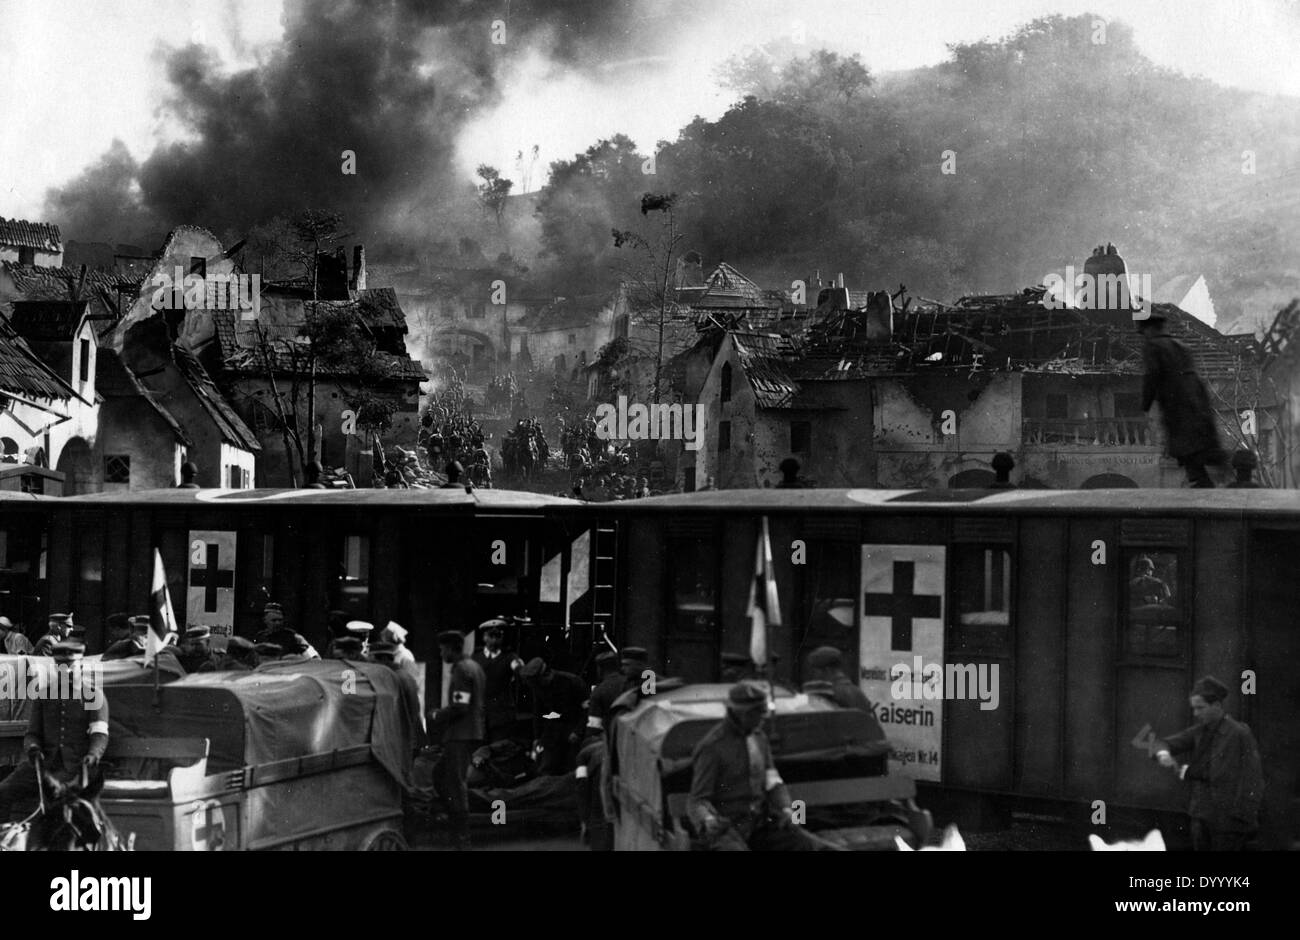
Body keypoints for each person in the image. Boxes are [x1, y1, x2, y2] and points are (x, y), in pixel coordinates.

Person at [686, 681, 814, 851]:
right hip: (727, 828)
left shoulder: (759, 738)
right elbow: (697, 799)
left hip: (758, 824)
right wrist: (708, 820)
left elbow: (773, 780)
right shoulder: (712, 747)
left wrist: (786, 808)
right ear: (742, 714)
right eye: (758, 713)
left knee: (802, 844)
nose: (763, 718)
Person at [0, 640, 109, 824]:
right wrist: (33, 748)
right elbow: (32, 733)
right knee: (2, 792)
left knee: (60, 804)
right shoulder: (43, 694)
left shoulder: (93, 695)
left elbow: (99, 734)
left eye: (70, 665)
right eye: (60, 666)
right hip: (42, 767)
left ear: (80, 665)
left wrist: (92, 755)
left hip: (77, 768)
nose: (65, 670)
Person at [1153, 675, 1263, 851]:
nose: (1196, 713)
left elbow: (1253, 778)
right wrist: (1163, 753)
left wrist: (1242, 817)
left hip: (1228, 822)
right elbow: (1161, 743)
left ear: (1217, 706)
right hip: (1201, 817)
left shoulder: (1239, 734)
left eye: (1200, 708)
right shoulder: (1200, 731)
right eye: (1194, 708)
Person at [1138, 311, 1225, 487]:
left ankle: (1200, 480)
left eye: (1145, 331)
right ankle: (1203, 478)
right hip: (1196, 397)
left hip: (1175, 400)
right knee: (1197, 439)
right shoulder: (1182, 346)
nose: (1144, 335)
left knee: (1183, 441)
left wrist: (1146, 404)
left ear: (1151, 329)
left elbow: (1152, 375)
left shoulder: (1153, 346)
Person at [428, 630, 485, 850]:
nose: (441, 653)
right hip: (470, 733)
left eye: (442, 649)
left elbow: (460, 707)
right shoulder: (474, 667)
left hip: (461, 734)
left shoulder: (462, 669)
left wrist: (436, 715)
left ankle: (461, 838)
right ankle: (453, 823)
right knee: (441, 775)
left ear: (451, 648)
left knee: (454, 782)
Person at [519, 657, 587, 774]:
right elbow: (538, 713)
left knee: (572, 767)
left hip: (574, 727)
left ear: (546, 675)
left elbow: (587, 710)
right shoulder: (539, 687)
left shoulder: (572, 682)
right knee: (545, 766)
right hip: (554, 728)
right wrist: (537, 738)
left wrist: (578, 731)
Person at [471, 620, 521, 743]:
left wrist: (519, 669)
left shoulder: (510, 657)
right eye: (490, 636)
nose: (494, 640)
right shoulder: (475, 658)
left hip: (501, 714)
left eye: (497, 636)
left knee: (499, 749)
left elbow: (518, 670)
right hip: (480, 713)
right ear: (484, 637)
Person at [255, 602, 319, 659]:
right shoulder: (260, 637)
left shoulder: (292, 637)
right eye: (274, 620)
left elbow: (313, 655)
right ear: (265, 620)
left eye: (280, 620)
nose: (278, 623)